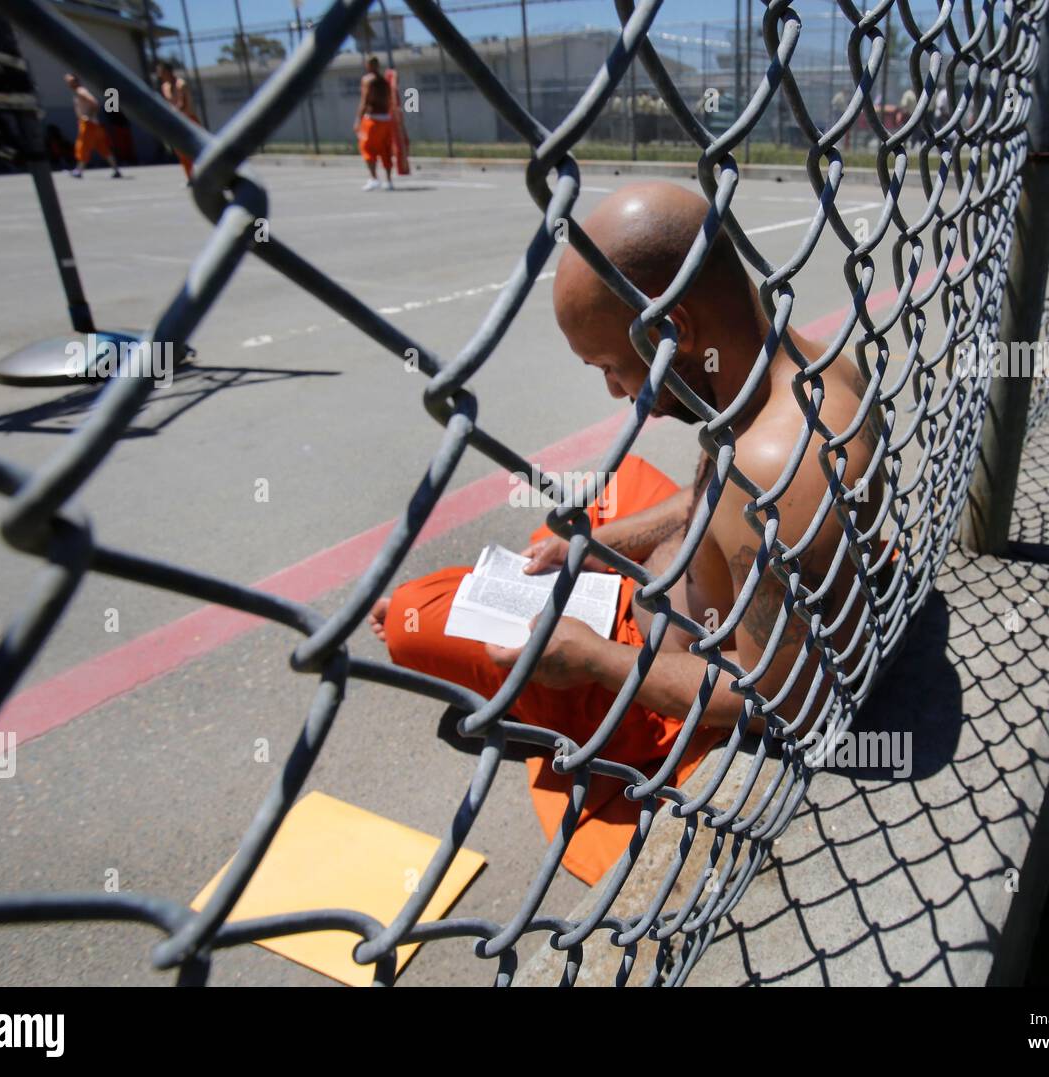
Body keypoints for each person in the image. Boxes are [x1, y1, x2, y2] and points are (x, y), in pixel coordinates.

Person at [367, 182, 886, 885]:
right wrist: (595, 545)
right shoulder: (809, 361)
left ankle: (573, 663)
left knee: (407, 616)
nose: (615, 391)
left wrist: (596, 661)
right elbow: (709, 499)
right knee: (588, 506)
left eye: (611, 366)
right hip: (687, 581)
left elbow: (783, 699)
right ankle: (588, 575)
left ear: (676, 330)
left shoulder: (775, 472)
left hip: (667, 676)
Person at [65, 73, 120, 178]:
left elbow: (94, 102)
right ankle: (116, 170)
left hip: (88, 124)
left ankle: (79, 170)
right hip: (94, 124)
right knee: (103, 147)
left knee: (83, 146)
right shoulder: (79, 92)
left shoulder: (81, 91)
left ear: (76, 81)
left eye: (71, 81)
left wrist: (88, 116)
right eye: (68, 81)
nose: (69, 83)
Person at [156, 60, 201, 184]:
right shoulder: (164, 87)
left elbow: (182, 104)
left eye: (162, 72)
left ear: (168, 72)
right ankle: (191, 178)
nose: (160, 74)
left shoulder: (181, 84)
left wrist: (171, 113)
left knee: (199, 150)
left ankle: (216, 175)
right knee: (180, 151)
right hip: (176, 122)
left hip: (189, 120)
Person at [354, 55, 394, 191]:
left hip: (372, 119)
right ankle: (388, 181)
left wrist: (358, 120)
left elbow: (364, 101)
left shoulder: (367, 80)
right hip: (386, 119)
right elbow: (389, 100)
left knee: (367, 149)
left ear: (369, 65)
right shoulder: (385, 81)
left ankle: (373, 178)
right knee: (386, 149)